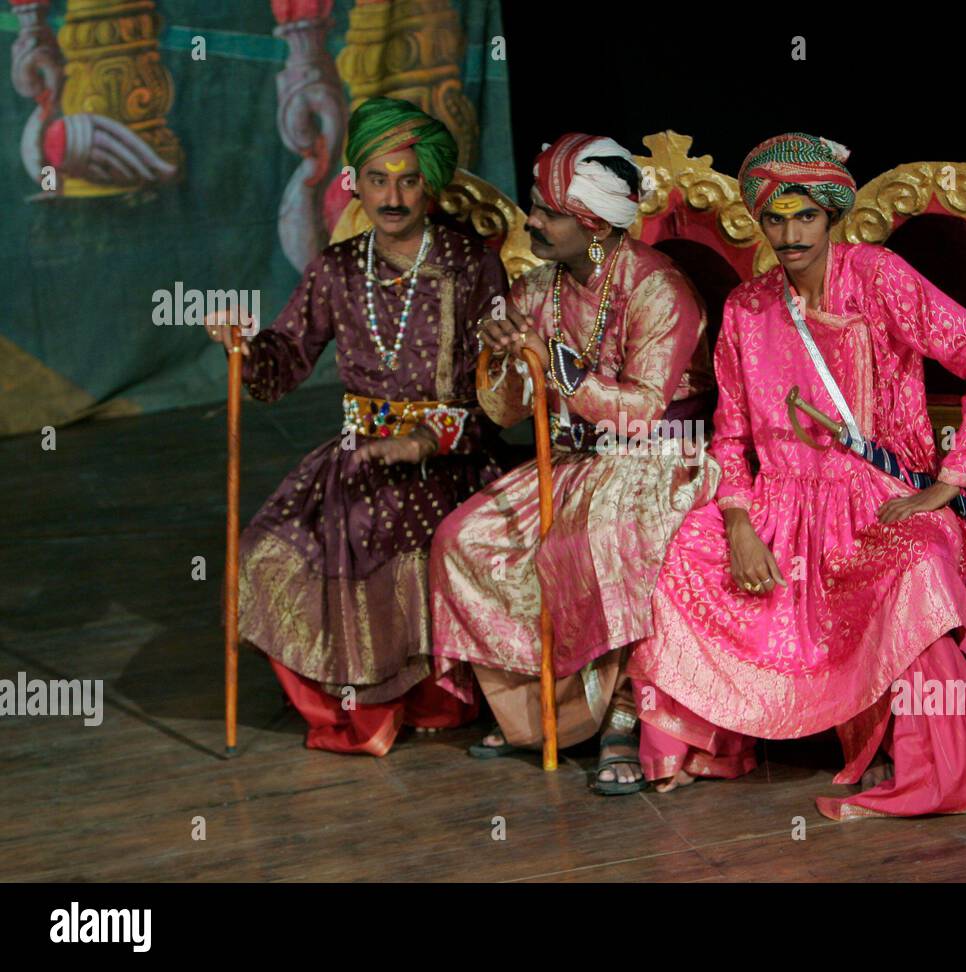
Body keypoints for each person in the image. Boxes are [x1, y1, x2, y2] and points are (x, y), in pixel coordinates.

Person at [628, 132, 966, 817]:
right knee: (681, 562)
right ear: (761, 220)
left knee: (915, 569)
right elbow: (729, 437)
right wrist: (738, 522)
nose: (790, 233)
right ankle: (699, 747)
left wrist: (954, 477)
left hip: (879, 497)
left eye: (806, 216)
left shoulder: (877, 277)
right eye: (777, 219)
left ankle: (952, 757)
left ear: (830, 215)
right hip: (778, 504)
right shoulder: (746, 308)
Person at [204, 97, 507, 755]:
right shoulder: (335, 271)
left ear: (431, 181)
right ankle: (358, 708)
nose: (392, 196)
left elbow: (500, 393)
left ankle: (427, 698)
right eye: (377, 179)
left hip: (449, 463)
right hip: (356, 458)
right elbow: (281, 366)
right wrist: (244, 350)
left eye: (408, 178)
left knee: (414, 548)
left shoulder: (471, 266)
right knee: (266, 553)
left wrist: (427, 440)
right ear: (356, 184)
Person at [428, 133, 716, 794]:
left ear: (590, 225)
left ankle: (621, 720)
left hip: (658, 460)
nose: (530, 222)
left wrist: (555, 367)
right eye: (535, 208)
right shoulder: (539, 287)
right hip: (572, 460)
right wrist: (504, 359)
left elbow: (642, 411)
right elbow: (503, 413)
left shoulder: (659, 290)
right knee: (461, 541)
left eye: (545, 213)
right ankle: (536, 717)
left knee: (598, 543)